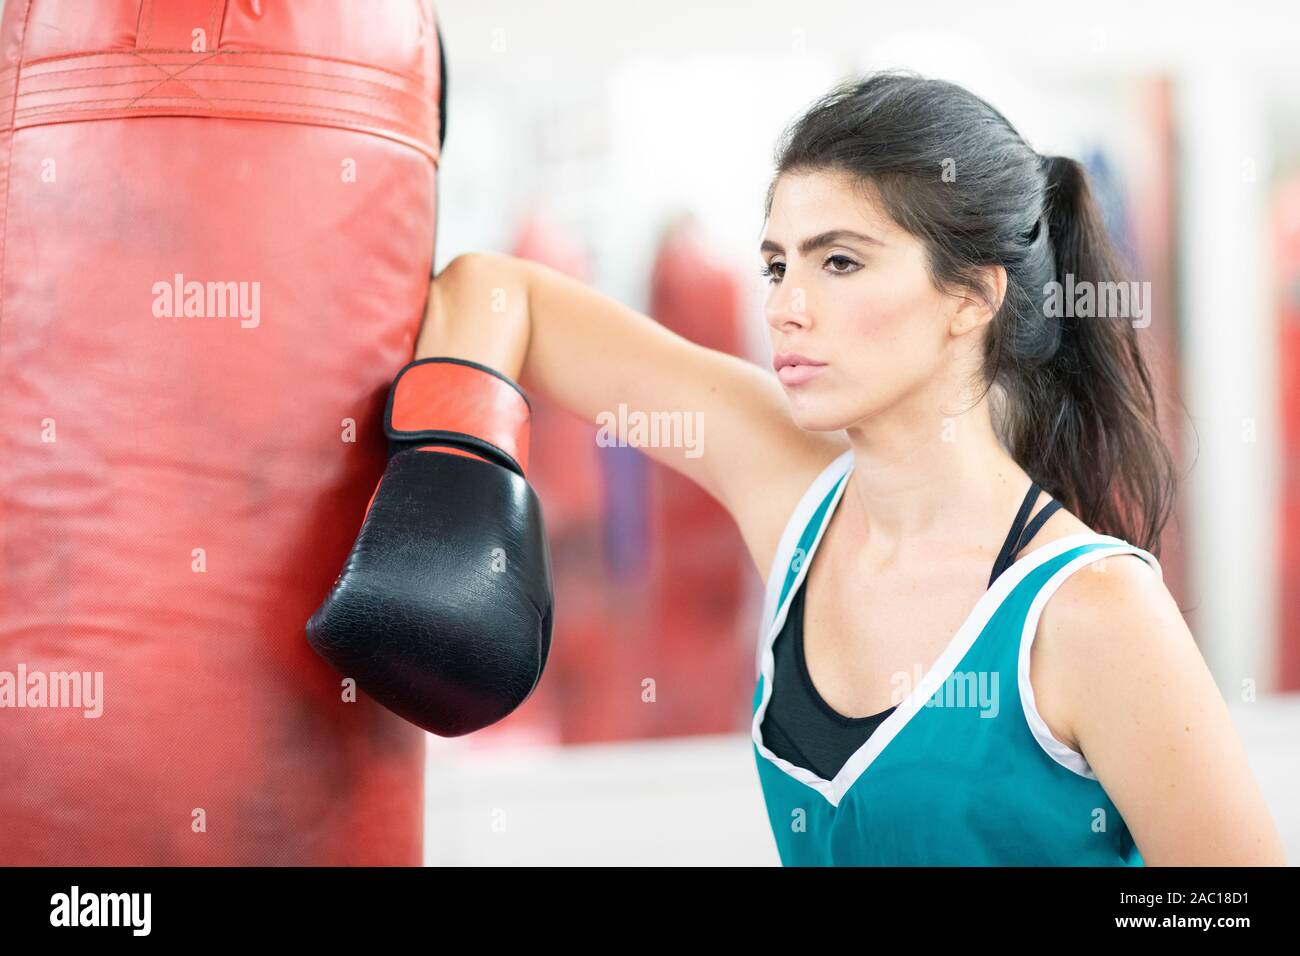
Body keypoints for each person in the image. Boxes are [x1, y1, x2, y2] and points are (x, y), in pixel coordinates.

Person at [415, 71, 1286, 865]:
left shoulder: (1091, 610)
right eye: (775, 264)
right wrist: (439, 474)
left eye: (839, 262)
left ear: (973, 296)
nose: (788, 308)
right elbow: (496, 292)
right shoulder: (795, 501)